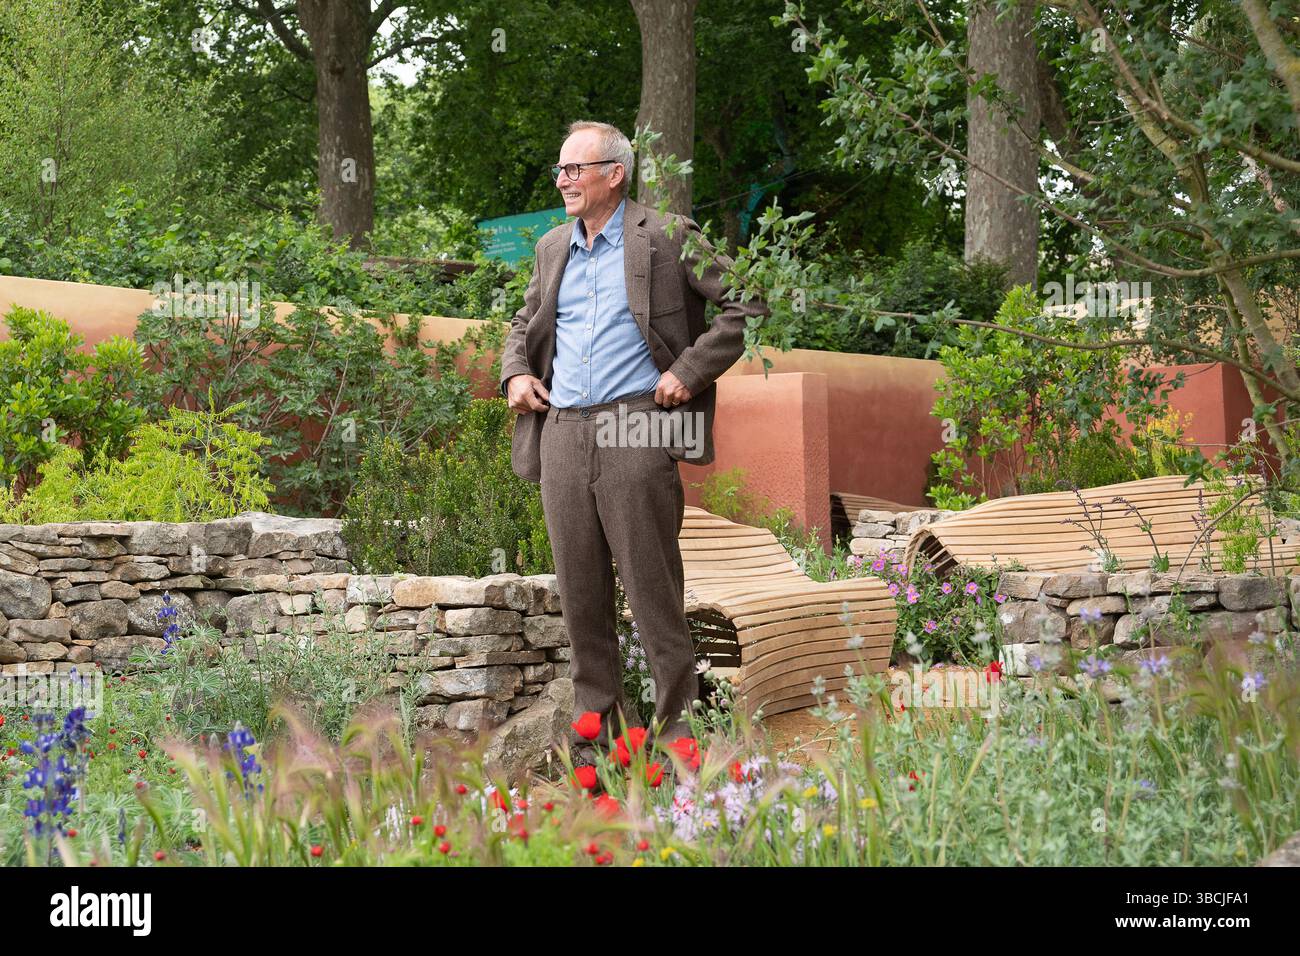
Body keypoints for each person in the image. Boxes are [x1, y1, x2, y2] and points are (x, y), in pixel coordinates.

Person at [500, 120, 768, 764]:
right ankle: (600, 742)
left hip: (636, 422)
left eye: (575, 169)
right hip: (561, 428)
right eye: (559, 170)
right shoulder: (551, 247)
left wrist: (688, 370)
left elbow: (747, 300)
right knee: (581, 592)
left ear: (613, 174)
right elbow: (523, 321)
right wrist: (514, 372)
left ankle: (678, 738)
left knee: (651, 588)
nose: (563, 181)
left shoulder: (668, 235)